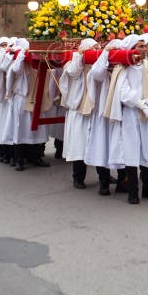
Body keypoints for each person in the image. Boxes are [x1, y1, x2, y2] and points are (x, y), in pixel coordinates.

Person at [105, 35, 148, 204]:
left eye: (144, 45)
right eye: (139, 46)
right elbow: (123, 92)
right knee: (131, 152)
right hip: (132, 115)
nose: (143, 48)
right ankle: (133, 190)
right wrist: (142, 105)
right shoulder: (123, 67)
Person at [84, 40, 125, 196]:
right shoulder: (101, 69)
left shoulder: (123, 69)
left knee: (121, 147)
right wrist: (106, 52)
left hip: (121, 115)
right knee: (102, 147)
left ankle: (122, 181)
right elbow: (97, 73)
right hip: (102, 116)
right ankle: (104, 182)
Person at [5, 39, 50, 171]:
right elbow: (17, 70)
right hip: (21, 98)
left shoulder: (37, 60)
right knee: (20, 129)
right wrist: (22, 54)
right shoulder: (15, 59)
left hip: (36, 97)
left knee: (36, 129)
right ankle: (19, 159)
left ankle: (36, 157)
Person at [60, 38, 99, 187]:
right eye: (92, 48)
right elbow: (74, 72)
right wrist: (80, 55)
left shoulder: (97, 65)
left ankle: (104, 175)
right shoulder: (72, 64)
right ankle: (78, 177)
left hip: (94, 109)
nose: (95, 51)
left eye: (97, 48)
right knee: (80, 144)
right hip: (79, 110)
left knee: (99, 142)